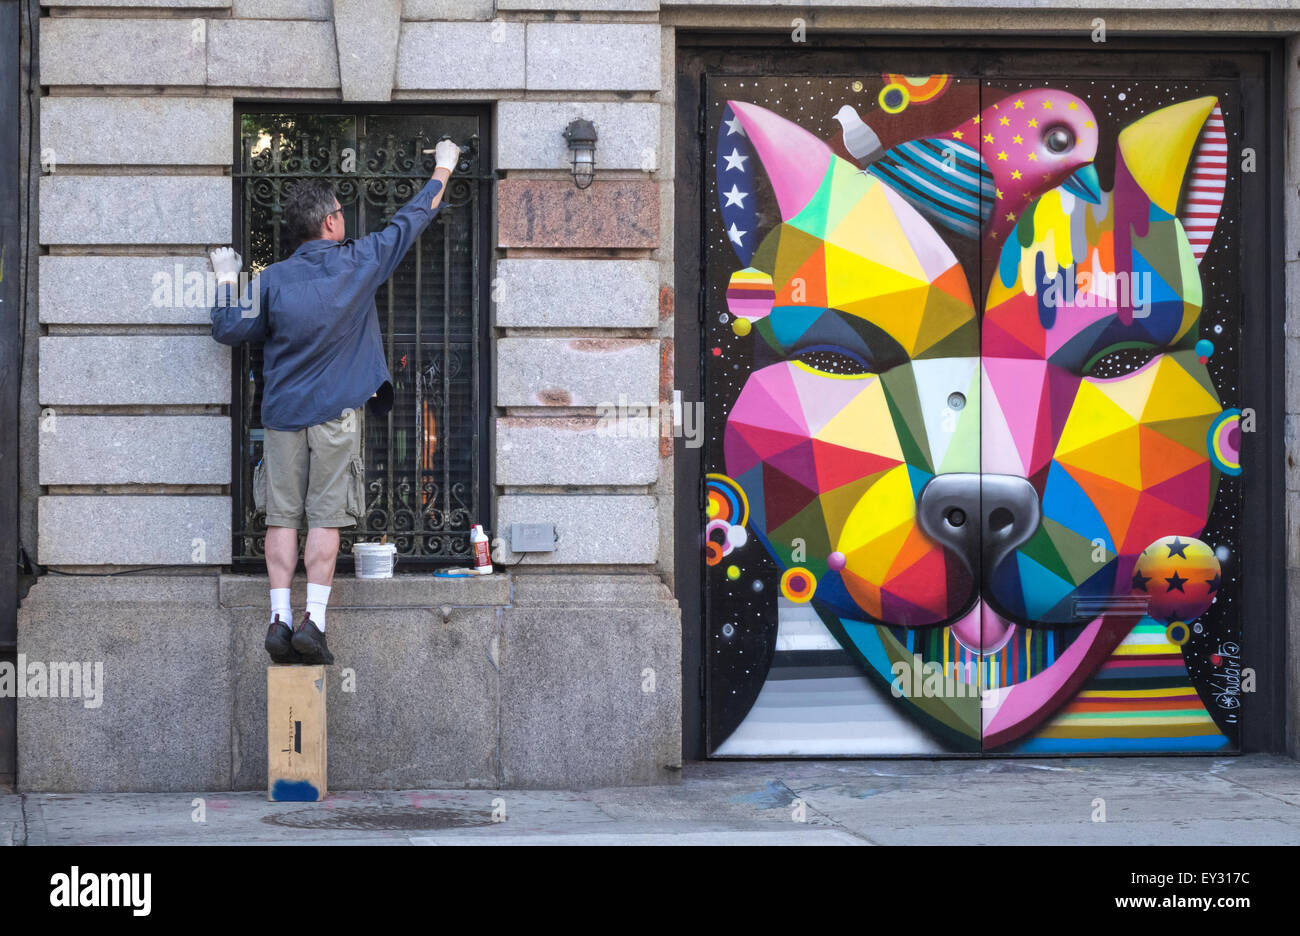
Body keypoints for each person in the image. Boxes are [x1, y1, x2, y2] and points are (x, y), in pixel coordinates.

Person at [208, 138, 461, 665]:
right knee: (324, 519)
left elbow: (229, 329)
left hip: (281, 418)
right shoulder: (359, 262)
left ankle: (278, 618)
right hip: (335, 419)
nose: (345, 219)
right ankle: (313, 622)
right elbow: (411, 220)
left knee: (281, 518)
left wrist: (228, 278)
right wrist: (444, 166)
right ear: (329, 223)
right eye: (342, 213)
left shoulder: (273, 280)